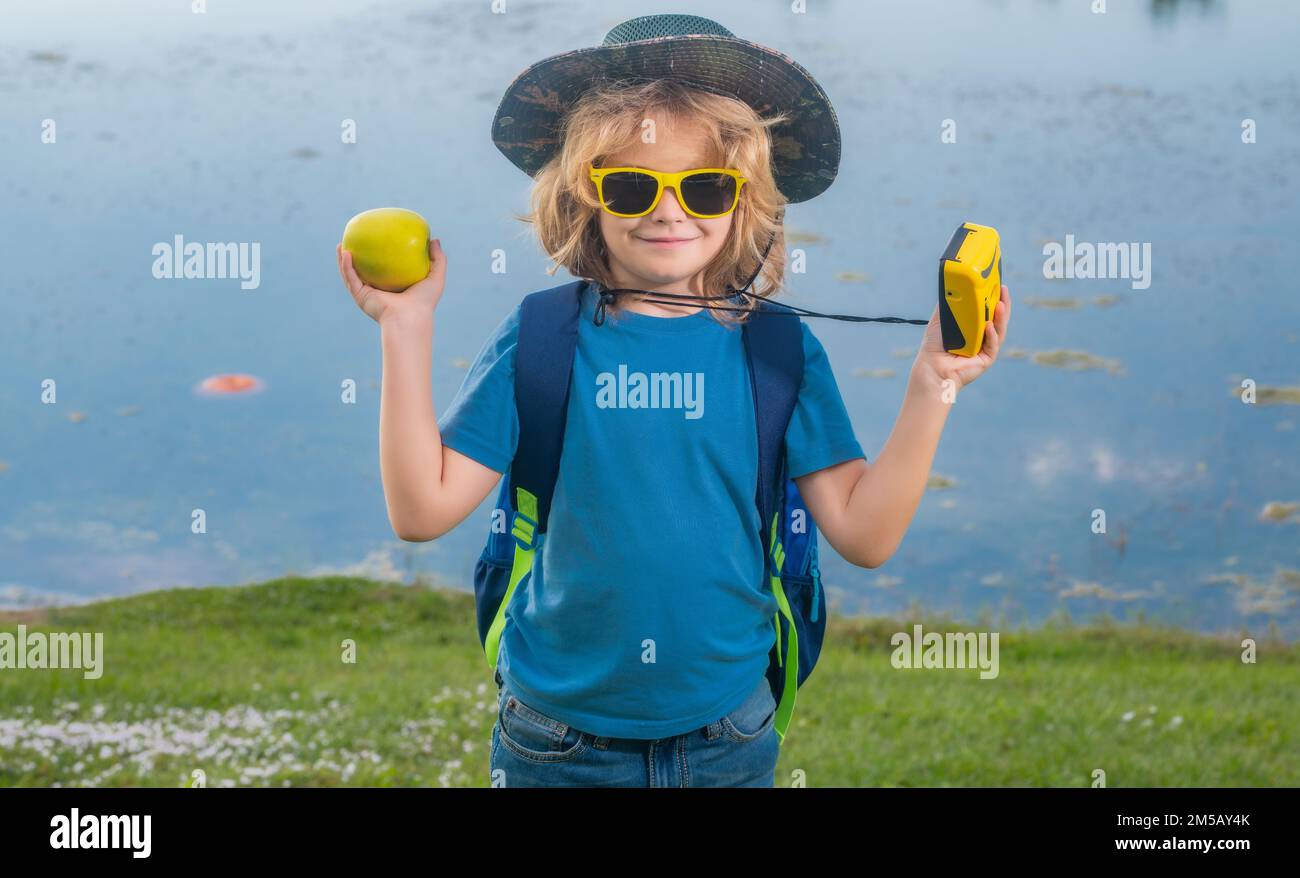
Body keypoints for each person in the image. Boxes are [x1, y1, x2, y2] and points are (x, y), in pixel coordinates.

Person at [336, 13, 1011, 787]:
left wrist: (936, 384)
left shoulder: (779, 353)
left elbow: (864, 534)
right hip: (557, 741)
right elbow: (420, 513)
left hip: (727, 734)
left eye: (704, 186)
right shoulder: (543, 341)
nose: (668, 209)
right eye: (630, 185)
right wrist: (406, 326)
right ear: (584, 198)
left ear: (744, 201)